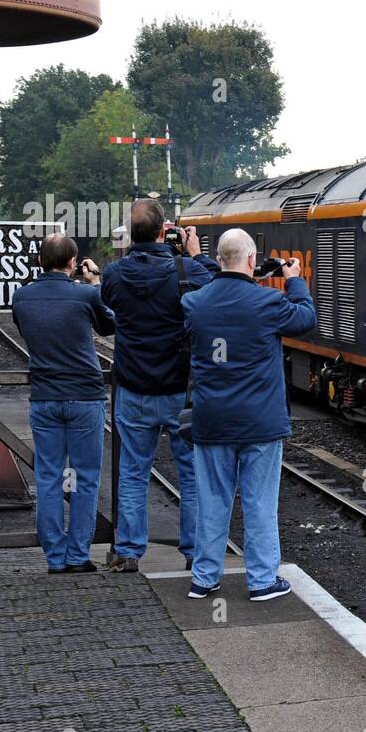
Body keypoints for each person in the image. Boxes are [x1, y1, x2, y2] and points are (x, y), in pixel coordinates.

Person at [182, 228, 315, 601]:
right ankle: (260, 581)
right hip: (260, 421)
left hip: (212, 420)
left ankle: (204, 578)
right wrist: (295, 280)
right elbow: (306, 318)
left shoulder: (195, 303)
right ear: (254, 261)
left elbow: (218, 292)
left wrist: (198, 260)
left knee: (212, 500)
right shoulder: (269, 302)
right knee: (258, 501)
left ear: (220, 259)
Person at [100, 199, 218, 573]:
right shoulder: (187, 272)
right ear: (162, 230)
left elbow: (109, 306)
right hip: (180, 389)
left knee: (133, 472)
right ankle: (195, 552)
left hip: (133, 387)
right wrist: (195, 254)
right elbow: (218, 289)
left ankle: (130, 551)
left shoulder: (114, 274)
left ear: (130, 234)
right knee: (192, 475)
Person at [11, 233, 115, 573]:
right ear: (73, 262)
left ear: (40, 261)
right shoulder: (85, 294)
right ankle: (78, 555)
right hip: (85, 397)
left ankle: (55, 557)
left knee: (48, 478)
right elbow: (109, 325)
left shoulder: (22, 297)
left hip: (45, 397)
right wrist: (95, 282)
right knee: (85, 478)